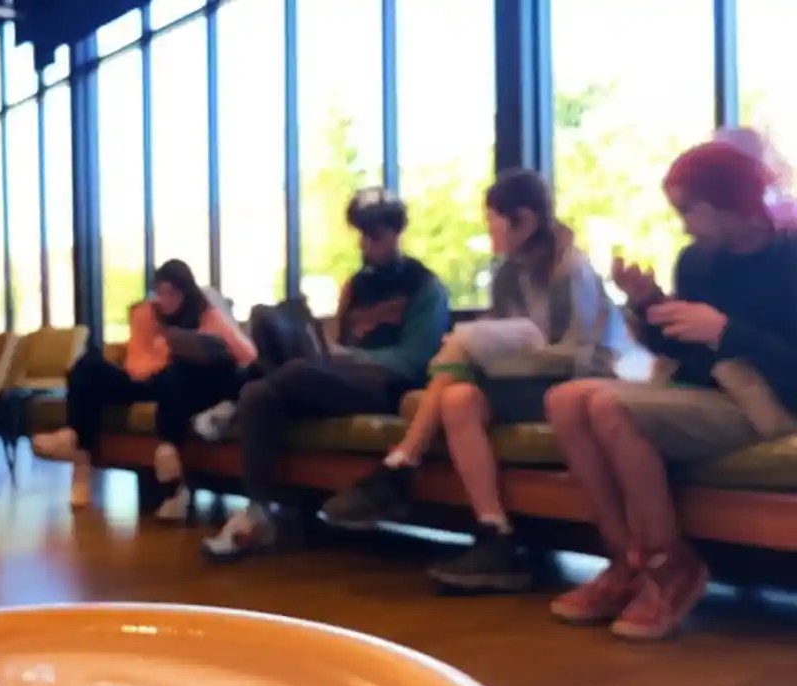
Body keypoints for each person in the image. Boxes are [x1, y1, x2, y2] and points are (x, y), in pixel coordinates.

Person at [320, 170, 626, 590]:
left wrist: (495, 354)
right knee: (457, 399)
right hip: (525, 383)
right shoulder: (507, 275)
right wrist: (489, 353)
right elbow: (503, 335)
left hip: (573, 385)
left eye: (493, 221)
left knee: (462, 347)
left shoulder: (572, 269)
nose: (489, 231)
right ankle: (495, 531)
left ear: (523, 220)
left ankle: (401, 463)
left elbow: (582, 357)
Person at [544, 142, 797, 640]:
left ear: (729, 203)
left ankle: (670, 565)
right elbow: (685, 350)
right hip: (710, 392)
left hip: (773, 403)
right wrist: (648, 304)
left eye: (688, 211)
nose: (684, 226)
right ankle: (627, 560)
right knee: (565, 400)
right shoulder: (697, 261)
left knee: (609, 405)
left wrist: (726, 331)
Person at [201, 188, 450, 560]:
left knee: (294, 372)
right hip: (339, 381)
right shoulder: (356, 286)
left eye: (375, 236)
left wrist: (349, 357)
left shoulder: (425, 287)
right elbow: (337, 340)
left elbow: (415, 360)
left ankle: (228, 409)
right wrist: (324, 348)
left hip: (388, 388)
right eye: (361, 235)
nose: (365, 244)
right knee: (259, 394)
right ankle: (258, 511)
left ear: (397, 233)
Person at [33, 259, 256, 515]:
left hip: (180, 381)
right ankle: (76, 444)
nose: (165, 300)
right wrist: (153, 357)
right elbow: (136, 357)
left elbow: (248, 355)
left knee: (177, 372)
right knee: (87, 366)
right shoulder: (147, 313)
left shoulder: (207, 315)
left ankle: (170, 462)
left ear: (186, 292)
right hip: (142, 378)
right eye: (160, 293)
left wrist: (196, 349)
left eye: (172, 294)